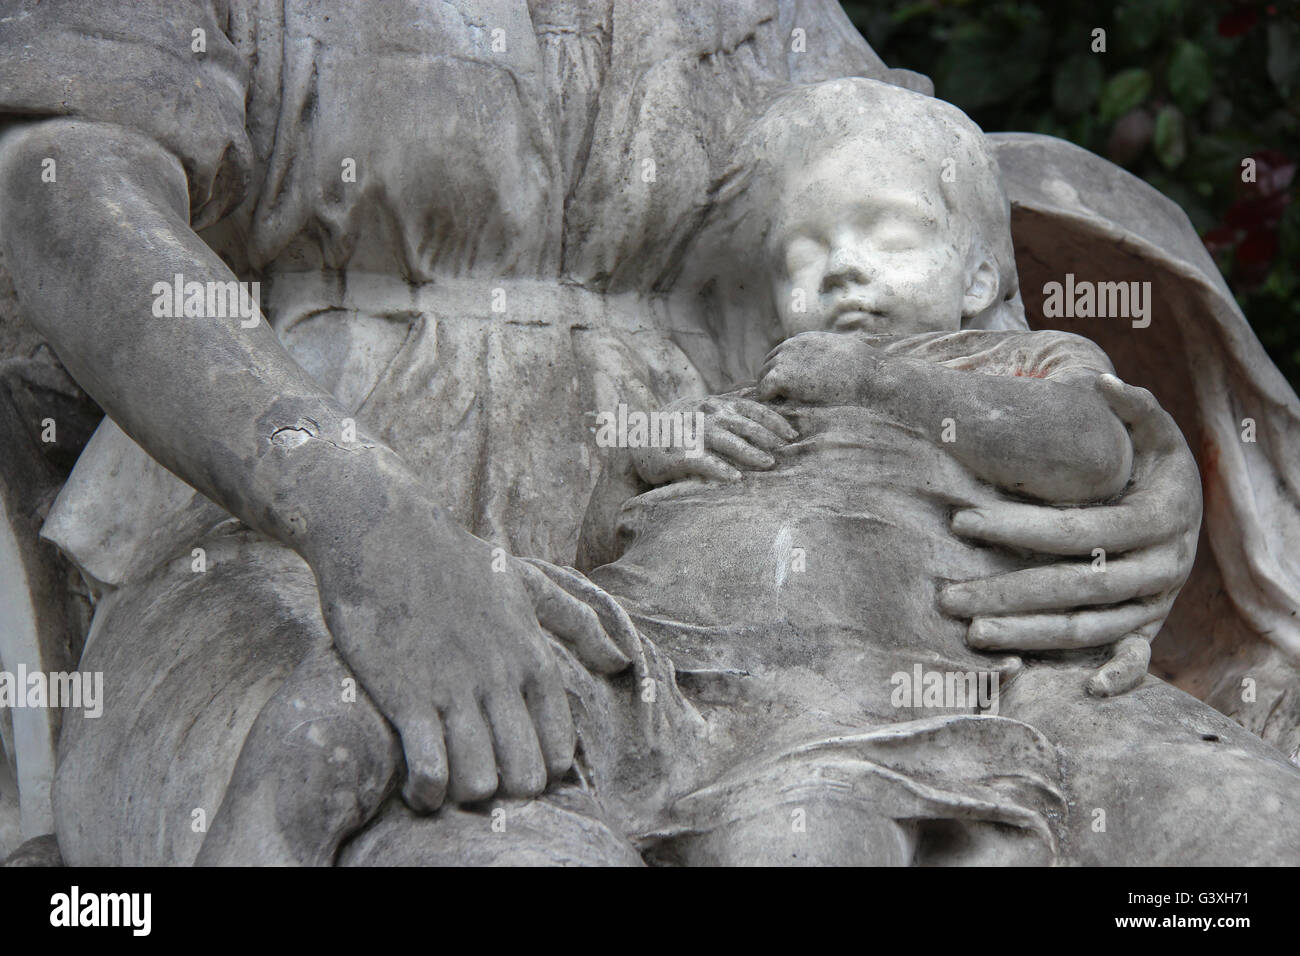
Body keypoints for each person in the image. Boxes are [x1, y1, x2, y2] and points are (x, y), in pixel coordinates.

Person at [0, 2, 1206, 865]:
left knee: (1217, 824)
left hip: (754, 577)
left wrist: (1130, 456)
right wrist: (359, 519)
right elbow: (60, 196)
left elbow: (917, 202)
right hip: (285, 544)